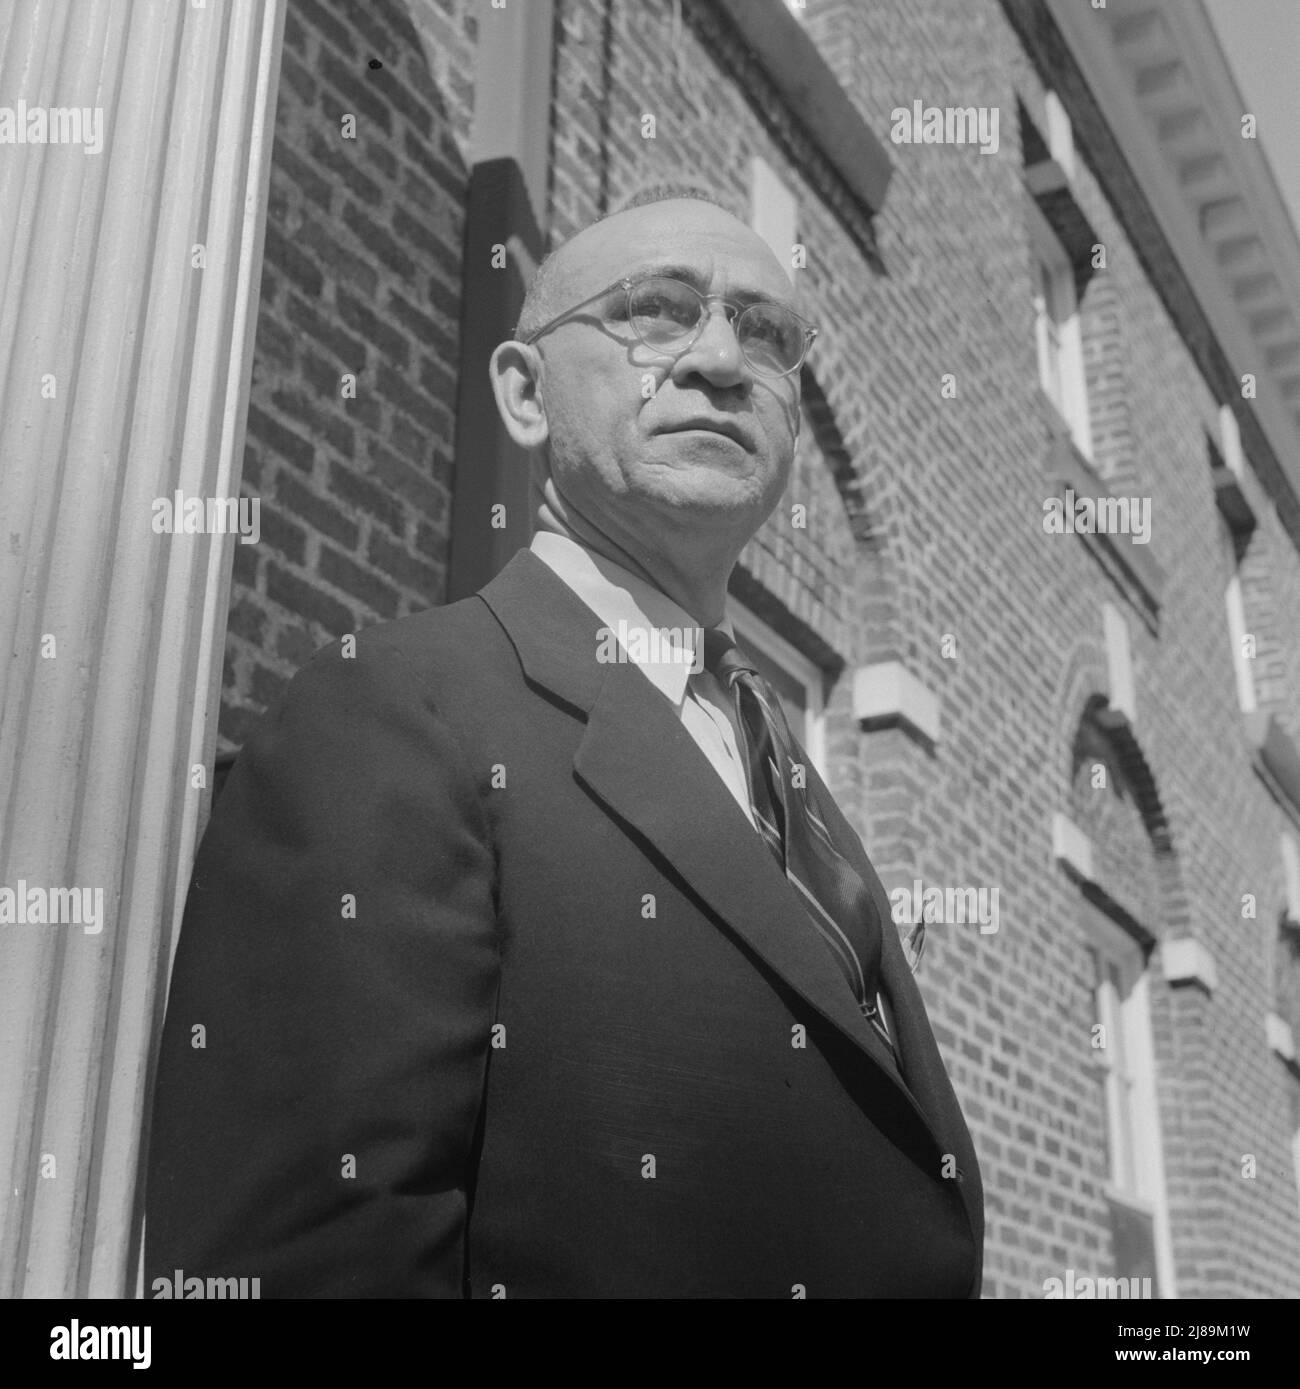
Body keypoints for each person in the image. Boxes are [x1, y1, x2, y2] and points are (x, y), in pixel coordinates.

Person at [144, 185, 984, 1298]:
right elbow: (316, 1252)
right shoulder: (395, 711)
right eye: (656, 309)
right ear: (525, 392)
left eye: (767, 332)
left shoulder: (774, 759)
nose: (720, 359)